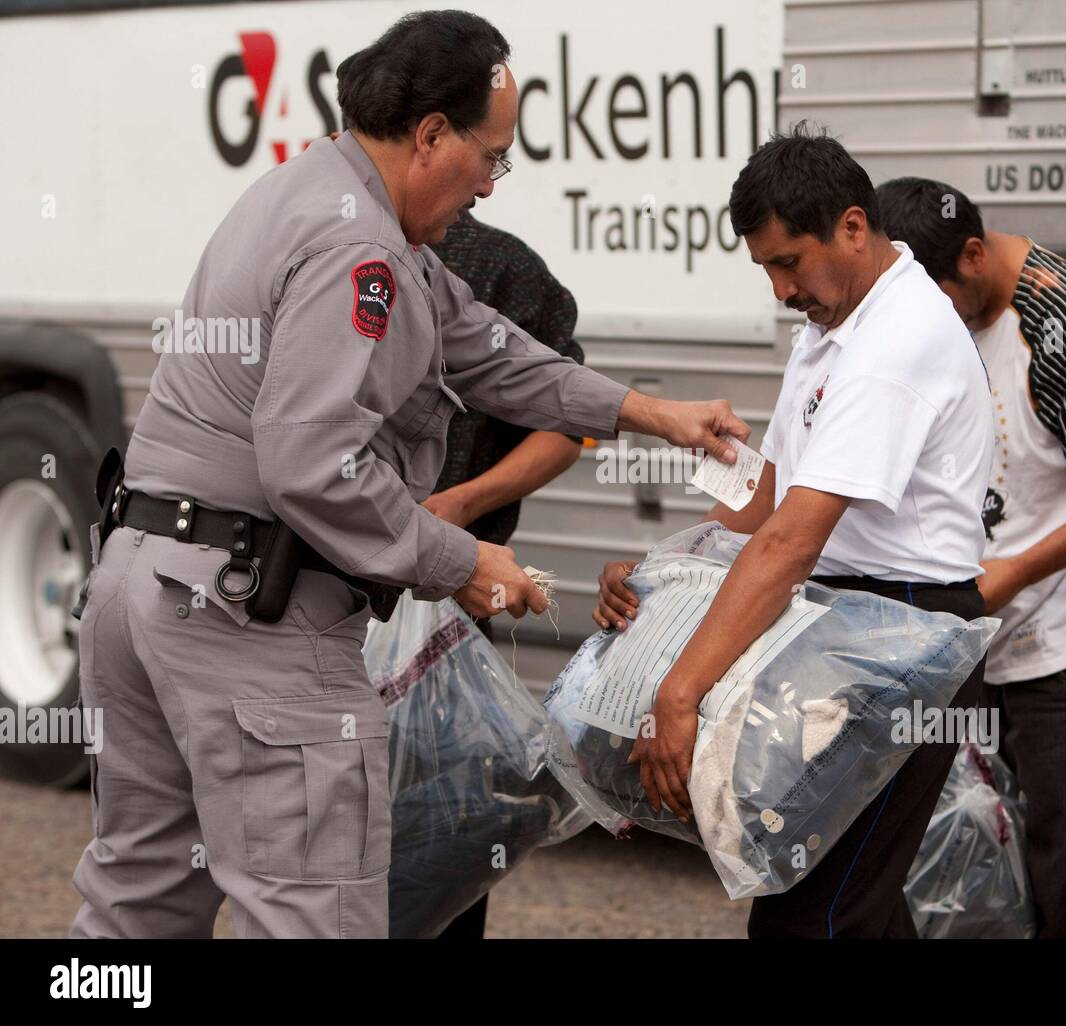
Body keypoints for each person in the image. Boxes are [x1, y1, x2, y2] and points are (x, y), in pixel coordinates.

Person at [69, 10, 747, 940]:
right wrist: (462, 561)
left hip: (142, 581)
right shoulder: (364, 250)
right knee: (313, 913)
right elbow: (311, 462)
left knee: (135, 904)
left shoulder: (318, 192)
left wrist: (649, 414)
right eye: (492, 157)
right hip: (246, 615)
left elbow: (493, 350)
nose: (491, 186)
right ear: (432, 134)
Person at [594, 124, 993, 938]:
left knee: (819, 913)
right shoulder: (835, 322)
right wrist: (665, 575)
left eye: (788, 262)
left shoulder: (894, 341)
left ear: (853, 226)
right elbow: (768, 489)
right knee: (838, 905)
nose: (779, 291)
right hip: (840, 624)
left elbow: (789, 540)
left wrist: (680, 692)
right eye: (765, 268)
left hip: (904, 637)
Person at [875, 176, 1066, 937]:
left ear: (973, 257)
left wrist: (1005, 575)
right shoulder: (926, 311)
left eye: (934, 303)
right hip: (977, 637)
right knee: (971, 850)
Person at [418, 210, 587, 940]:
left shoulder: (501, 269)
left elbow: (566, 422)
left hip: (452, 607)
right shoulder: (319, 249)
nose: (488, 178)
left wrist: (459, 503)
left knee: (447, 842)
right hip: (325, 612)